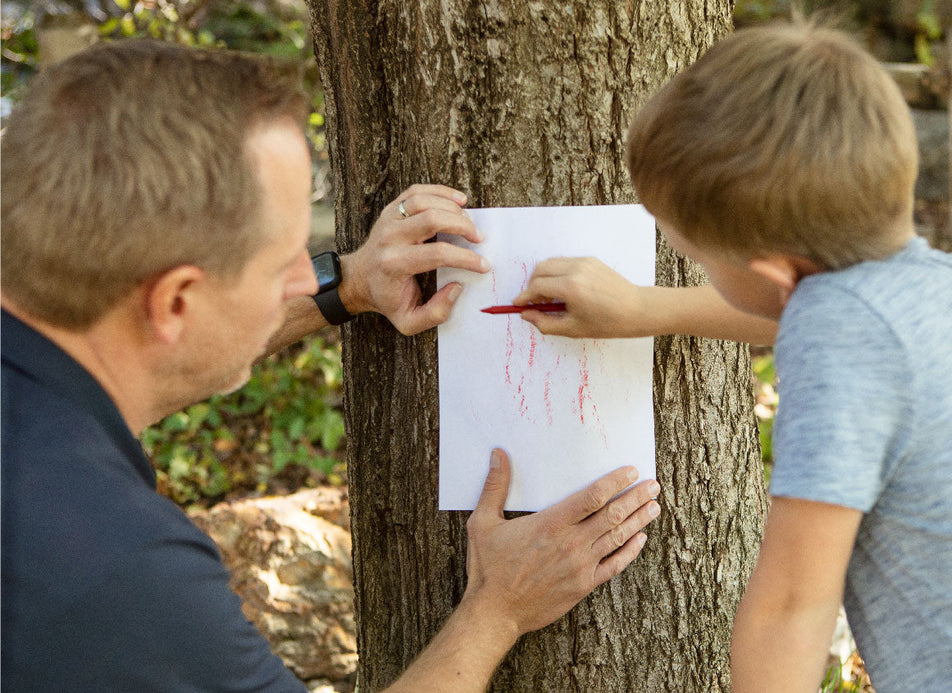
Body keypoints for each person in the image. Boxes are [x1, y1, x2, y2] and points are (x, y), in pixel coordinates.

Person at [0, 40, 661, 691]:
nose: (302, 278)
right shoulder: (123, 570)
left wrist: (347, 285)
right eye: (284, 260)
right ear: (175, 299)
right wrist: (495, 609)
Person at [512, 17, 952, 692]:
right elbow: (801, 311)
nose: (694, 266)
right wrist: (644, 308)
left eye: (692, 254)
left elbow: (790, 609)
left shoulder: (839, 337)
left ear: (775, 272)